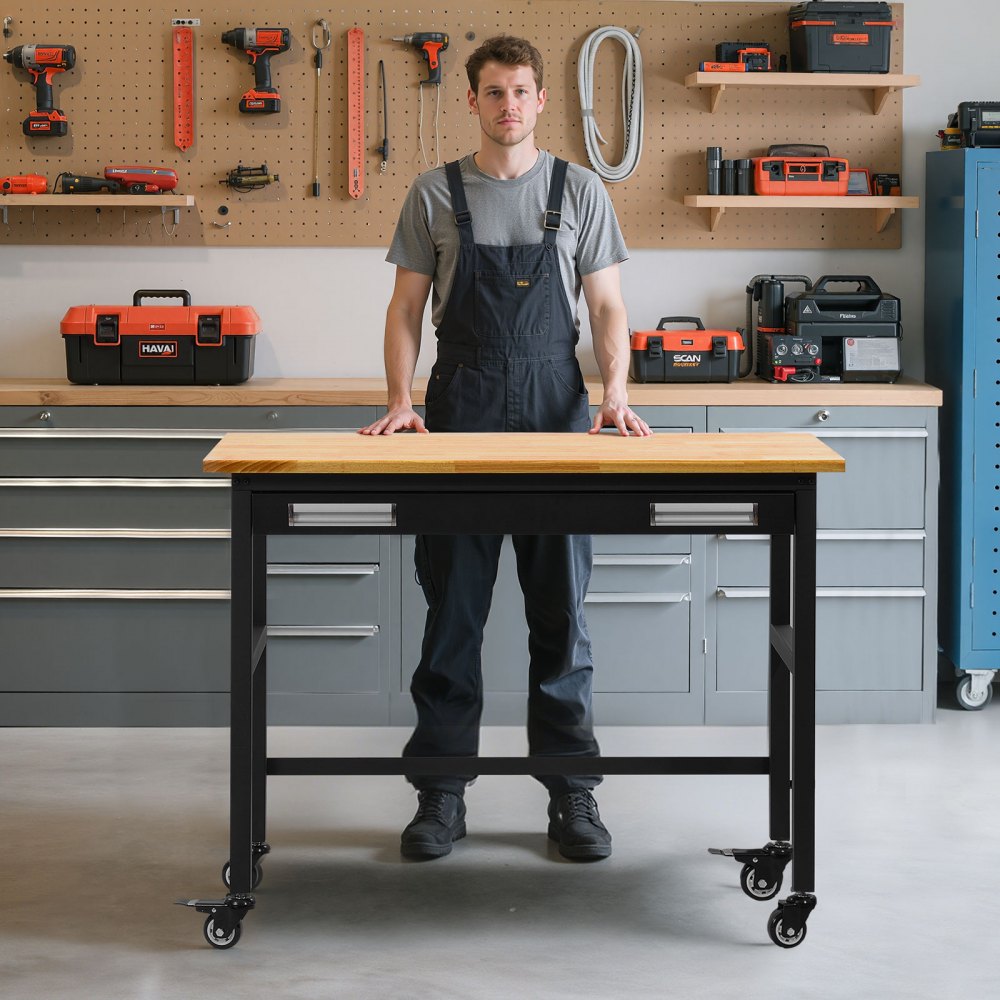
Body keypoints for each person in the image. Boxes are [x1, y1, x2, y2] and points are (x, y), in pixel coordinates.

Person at [361, 34, 652, 862]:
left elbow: (607, 309)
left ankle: (572, 795)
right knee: (453, 614)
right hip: (461, 407)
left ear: (540, 100)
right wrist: (400, 402)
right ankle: (442, 794)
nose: (510, 105)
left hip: (559, 409)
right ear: (473, 101)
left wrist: (615, 393)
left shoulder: (581, 189)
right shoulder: (434, 192)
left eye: (522, 90)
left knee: (561, 615)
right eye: (495, 92)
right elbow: (405, 311)